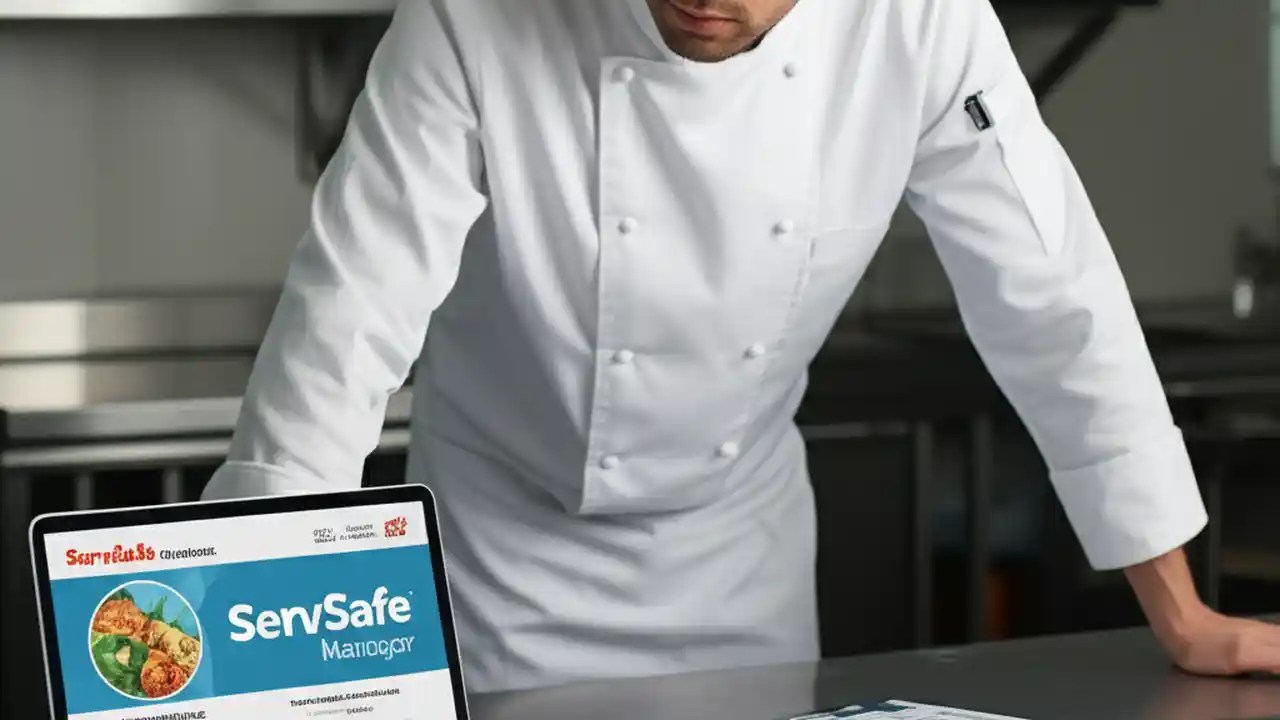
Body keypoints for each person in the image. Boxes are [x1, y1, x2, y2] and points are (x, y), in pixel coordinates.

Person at [203, 0, 1280, 693]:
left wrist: (1180, 617)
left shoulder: (917, 22)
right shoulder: (472, 22)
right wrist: (241, 673)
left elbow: (1053, 301)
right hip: (496, 571)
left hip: (737, 581)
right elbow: (346, 321)